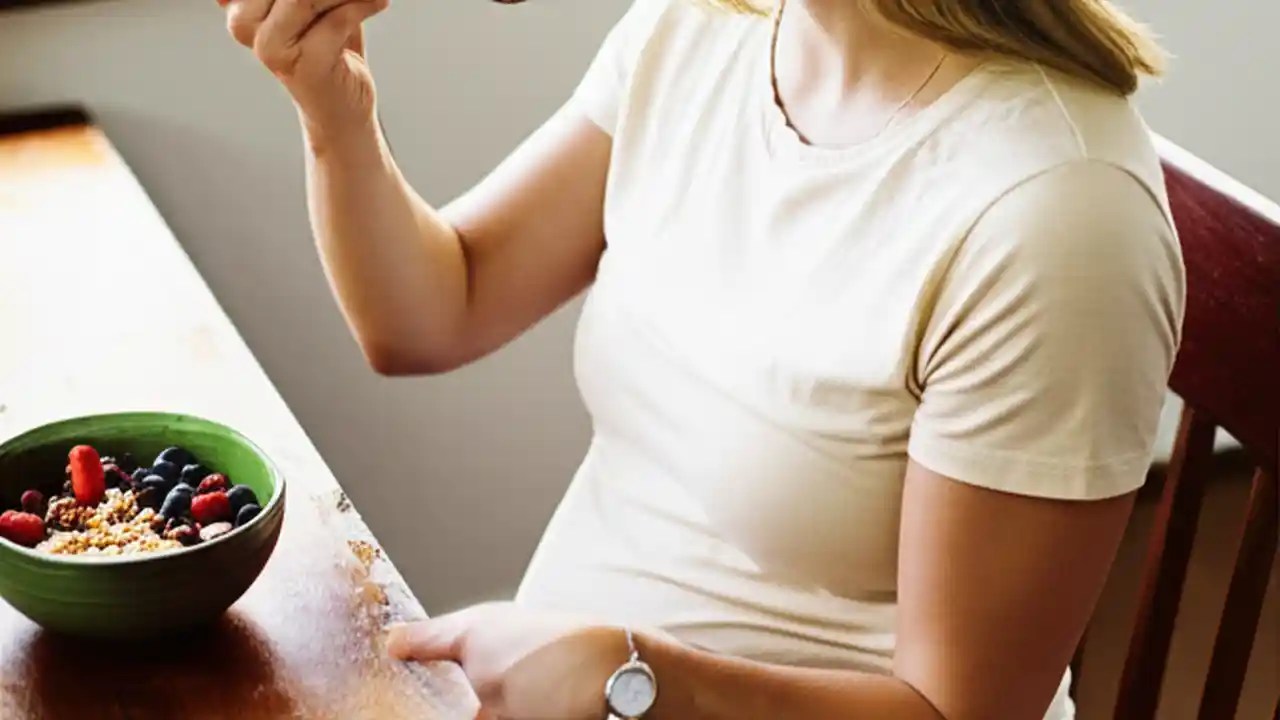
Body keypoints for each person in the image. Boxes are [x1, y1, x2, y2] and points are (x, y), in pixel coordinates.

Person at [219, 0, 1185, 717]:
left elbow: (960, 711)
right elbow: (434, 310)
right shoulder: (703, 29)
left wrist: (634, 677)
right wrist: (333, 111)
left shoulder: (1059, 211)